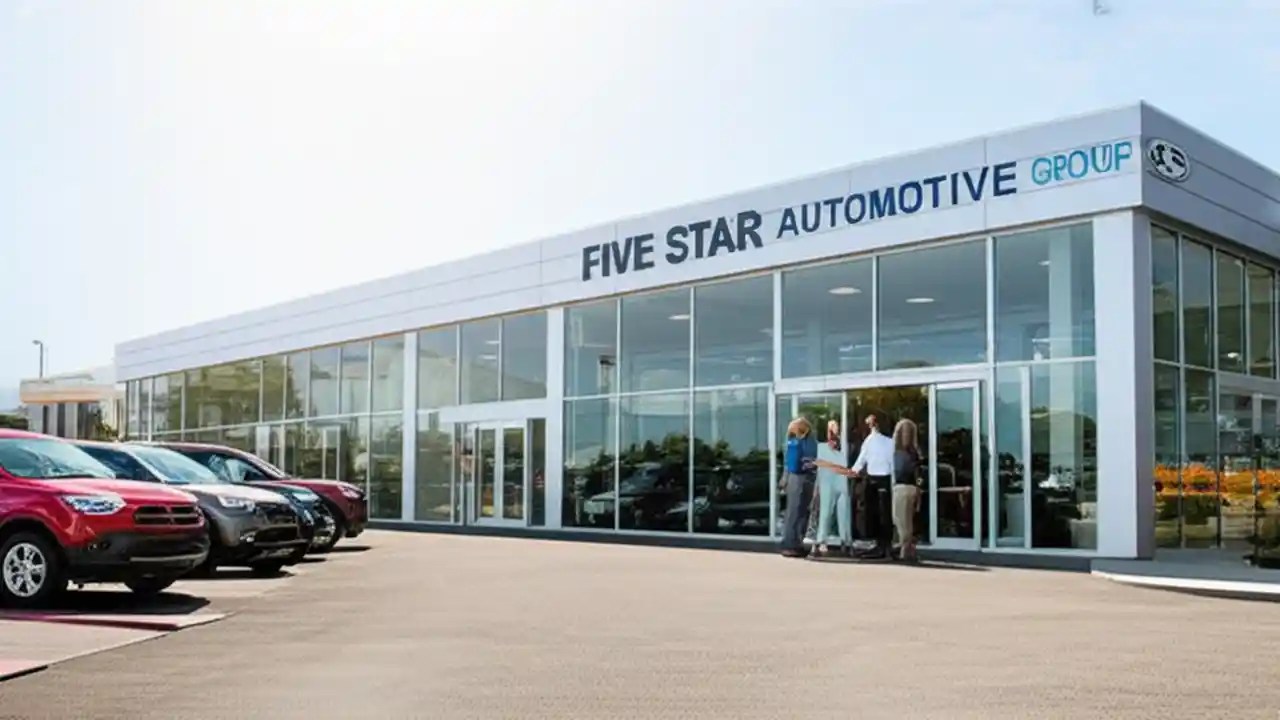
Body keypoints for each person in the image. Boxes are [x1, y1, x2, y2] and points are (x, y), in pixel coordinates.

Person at [850, 413, 894, 558]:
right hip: (885, 479)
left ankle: (879, 545)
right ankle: (886, 544)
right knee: (885, 513)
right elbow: (891, 462)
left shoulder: (869, 441)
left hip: (875, 479)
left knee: (875, 513)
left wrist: (851, 472)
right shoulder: (890, 441)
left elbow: (861, 460)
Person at [811, 419, 852, 556]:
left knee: (843, 511)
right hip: (827, 483)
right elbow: (818, 466)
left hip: (841, 482)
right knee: (826, 511)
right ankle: (822, 540)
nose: (835, 431)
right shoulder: (821, 448)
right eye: (831, 428)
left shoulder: (842, 450)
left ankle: (845, 540)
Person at [779, 417, 818, 558]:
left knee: (792, 512)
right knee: (800, 512)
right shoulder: (809, 441)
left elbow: (786, 462)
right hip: (804, 478)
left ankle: (790, 544)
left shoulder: (790, 441)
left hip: (792, 478)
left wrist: (784, 478)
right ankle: (794, 544)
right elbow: (813, 460)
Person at [891, 419, 923, 562]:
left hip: (901, 488)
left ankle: (905, 549)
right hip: (909, 488)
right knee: (906, 520)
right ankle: (908, 548)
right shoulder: (914, 453)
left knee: (900, 520)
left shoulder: (895, 452)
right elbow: (918, 474)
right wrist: (918, 487)